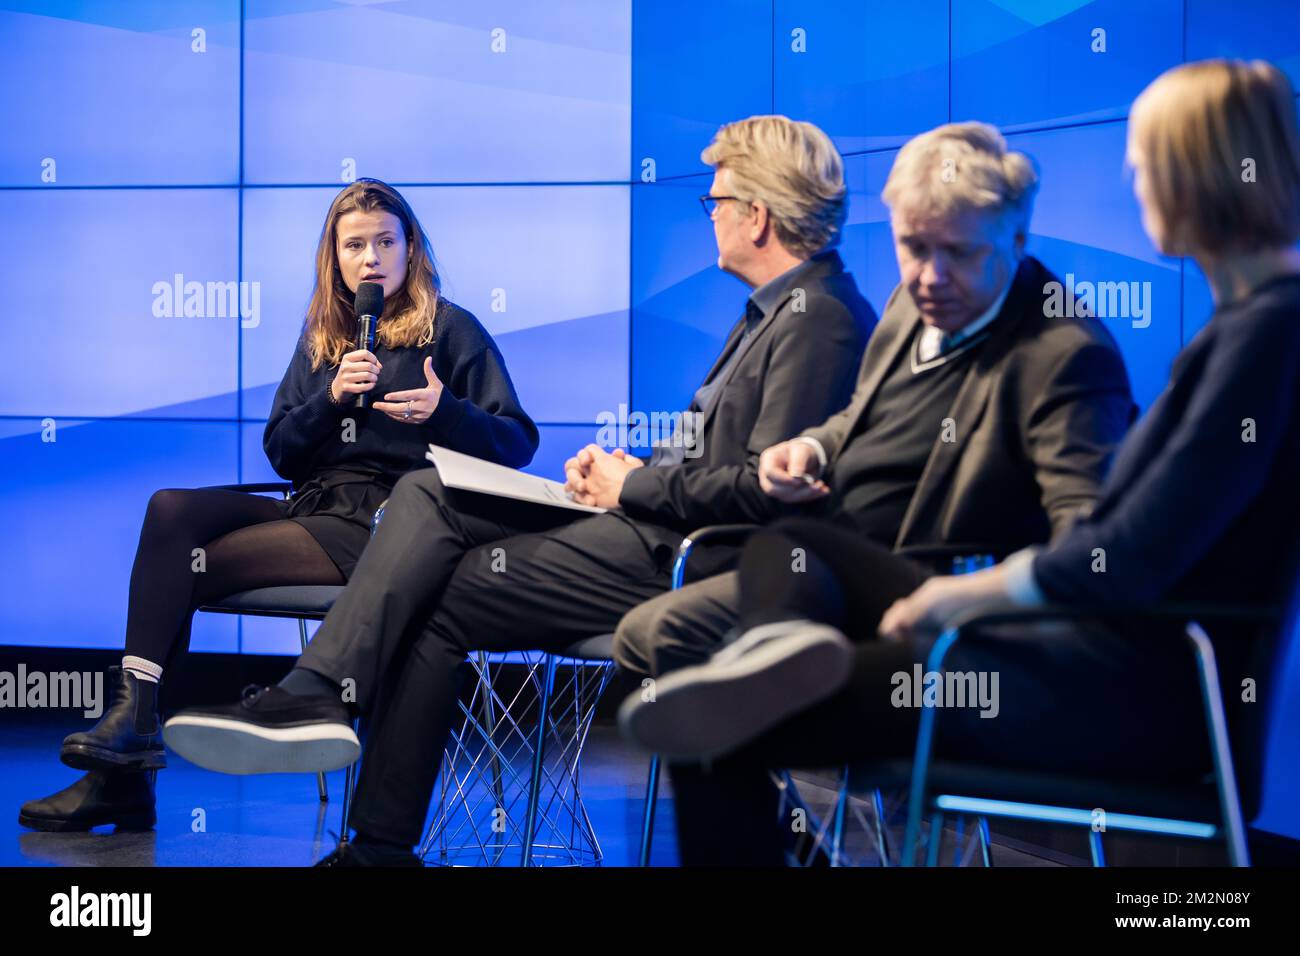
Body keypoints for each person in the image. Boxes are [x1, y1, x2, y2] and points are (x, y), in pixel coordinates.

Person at [620, 59, 1300, 866]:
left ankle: (763, 674)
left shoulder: (1266, 334)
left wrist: (960, 594)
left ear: (1196, 175)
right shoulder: (1249, 328)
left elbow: (1126, 554)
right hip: (1085, 654)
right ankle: (775, 657)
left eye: (1147, 162)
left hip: (1118, 686)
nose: (1136, 179)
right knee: (792, 555)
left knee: (715, 709)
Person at [162, 115, 877, 866]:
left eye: (717, 202)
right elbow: (728, 464)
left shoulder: (816, 319)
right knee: (431, 534)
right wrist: (621, 475)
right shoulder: (776, 314)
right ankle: (367, 823)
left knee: (430, 533)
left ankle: (330, 717)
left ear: (757, 216)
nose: (714, 218)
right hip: (642, 528)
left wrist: (637, 486)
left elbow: (771, 494)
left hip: (683, 559)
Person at [19, 178, 539, 832]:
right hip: (312, 506)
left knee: (186, 569)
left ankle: (119, 776)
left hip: (392, 524)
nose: (371, 257)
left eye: (385, 241)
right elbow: (282, 453)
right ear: (335, 257)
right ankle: (133, 728)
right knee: (172, 512)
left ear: (412, 250)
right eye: (355, 245)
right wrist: (330, 402)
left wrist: (450, 413)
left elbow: (517, 442)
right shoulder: (325, 335)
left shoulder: (452, 329)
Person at [614, 120, 1134, 695]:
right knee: (657, 630)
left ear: (1014, 241)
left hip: (934, 586)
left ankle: (770, 672)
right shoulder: (908, 306)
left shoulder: (1066, 354)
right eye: (913, 248)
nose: (931, 277)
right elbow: (860, 417)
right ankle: (769, 673)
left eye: (958, 253)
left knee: (739, 611)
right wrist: (810, 447)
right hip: (839, 564)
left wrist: (969, 594)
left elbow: (1085, 545)